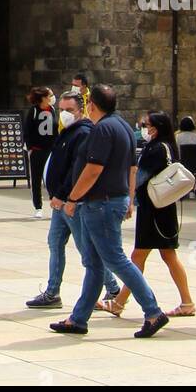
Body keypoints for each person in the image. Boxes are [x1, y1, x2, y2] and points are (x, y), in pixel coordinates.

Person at [50, 84, 170, 339]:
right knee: (94, 263)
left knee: (115, 260)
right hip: (112, 200)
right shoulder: (123, 126)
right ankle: (78, 318)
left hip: (100, 203)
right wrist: (129, 198)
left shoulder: (103, 129)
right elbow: (132, 167)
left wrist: (72, 198)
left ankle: (153, 311)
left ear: (91, 104)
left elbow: (93, 169)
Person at [26, 89, 120, 309]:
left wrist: (64, 196)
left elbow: (76, 171)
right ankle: (52, 291)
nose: (64, 114)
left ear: (81, 110)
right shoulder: (68, 131)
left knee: (86, 249)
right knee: (55, 242)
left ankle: (113, 287)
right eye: (61, 110)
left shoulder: (84, 133)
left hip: (71, 202)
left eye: (69, 110)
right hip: (61, 203)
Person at [102, 110, 196, 319]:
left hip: (153, 210)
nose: (143, 128)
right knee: (166, 255)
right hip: (163, 207)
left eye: (146, 124)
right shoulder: (168, 146)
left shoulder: (156, 149)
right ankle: (186, 301)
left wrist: (128, 198)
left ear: (157, 127)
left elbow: (141, 177)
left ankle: (119, 302)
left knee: (139, 257)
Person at [24, 87, 56, 217]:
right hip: (37, 150)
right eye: (50, 95)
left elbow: (55, 128)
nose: (53, 97)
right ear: (43, 97)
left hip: (50, 150)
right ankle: (38, 207)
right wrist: (30, 148)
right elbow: (27, 130)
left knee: (52, 176)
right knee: (36, 179)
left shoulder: (52, 110)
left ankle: (55, 202)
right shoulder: (34, 111)